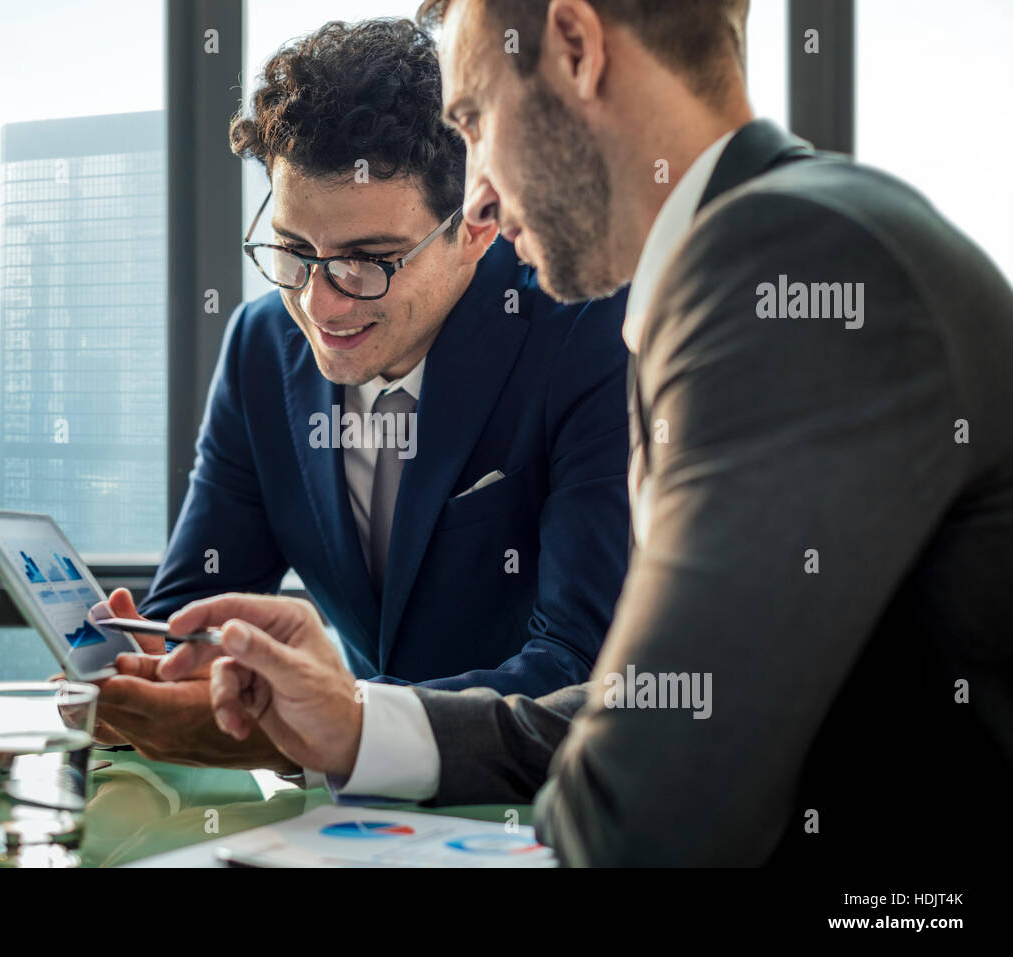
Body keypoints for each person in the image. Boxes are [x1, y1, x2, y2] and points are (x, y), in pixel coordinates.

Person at [156, 0, 1013, 864]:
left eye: (474, 119)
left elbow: (654, 803)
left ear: (573, 47)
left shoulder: (784, 257)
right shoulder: (755, 250)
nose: (478, 190)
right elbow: (647, 706)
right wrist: (352, 723)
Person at [89, 18, 630, 769]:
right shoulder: (258, 349)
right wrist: (148, 678)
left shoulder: (586, 332)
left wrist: (328, 729)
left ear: (476, 223)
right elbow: (193, 615)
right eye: (294, 251)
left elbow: (580, 670)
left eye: (368, 260)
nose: (320, 304)